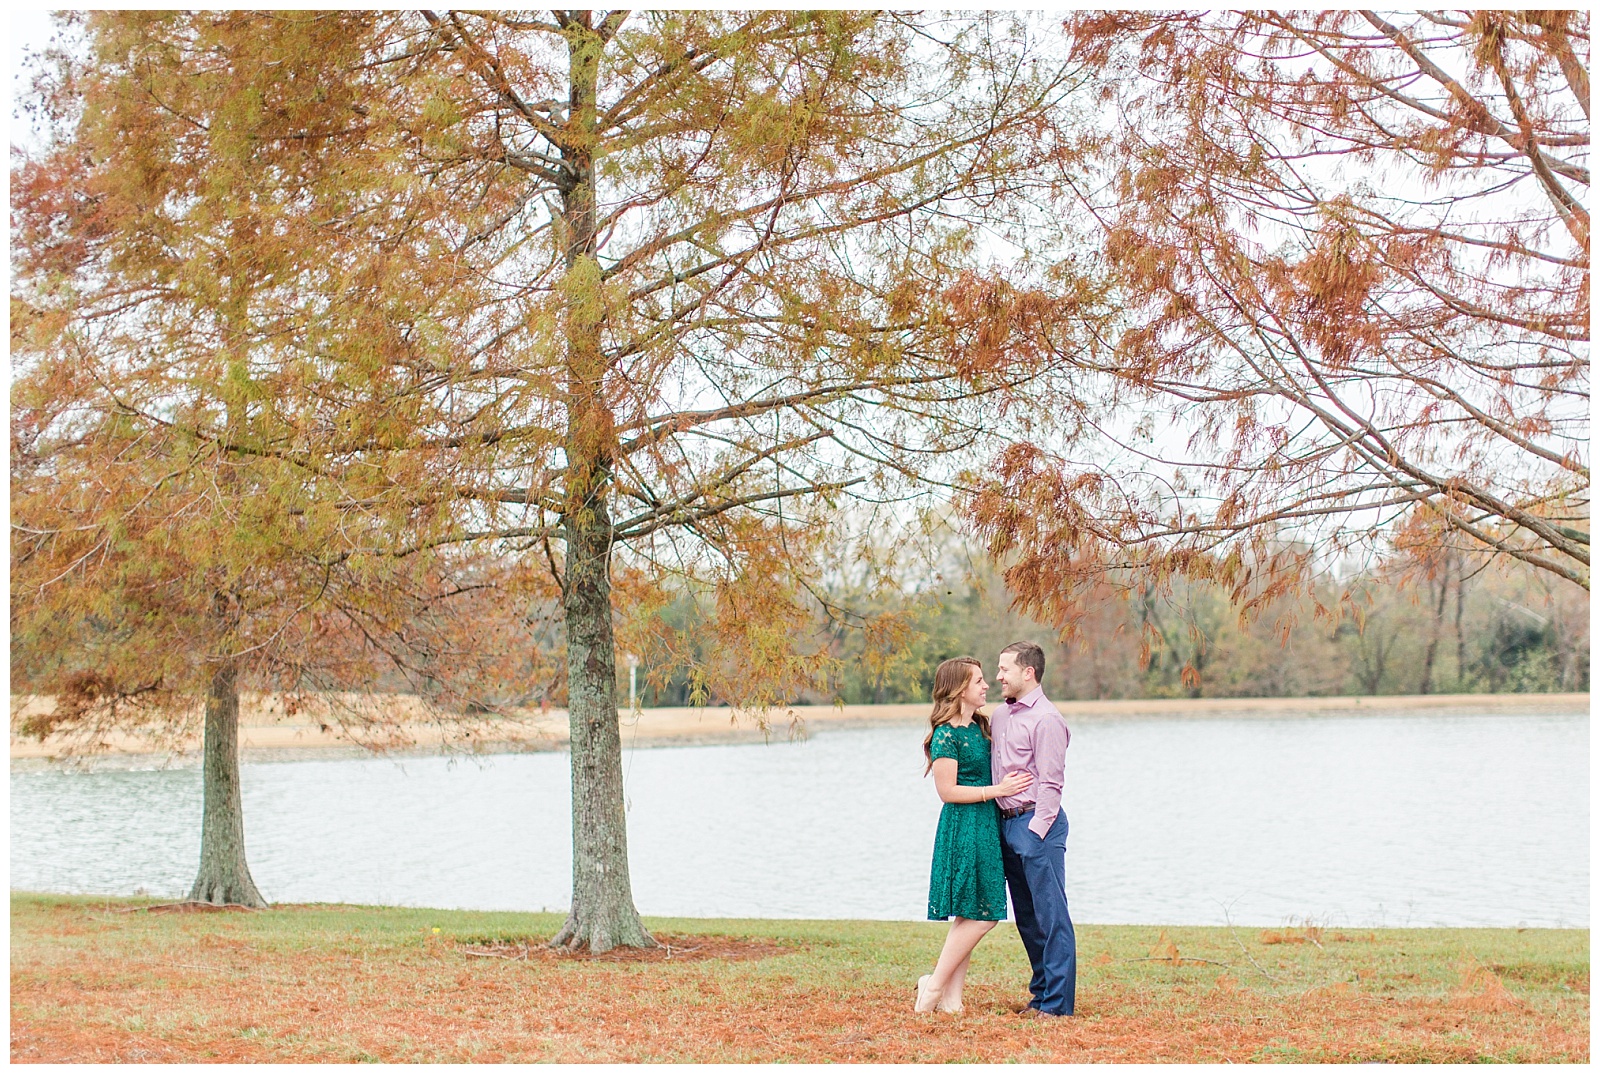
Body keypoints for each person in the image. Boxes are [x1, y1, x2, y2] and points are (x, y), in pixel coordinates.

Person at [915, 656, 1033, 1013]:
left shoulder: (981, 727)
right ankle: (935, 987)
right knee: (983, 915)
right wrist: (997, 790)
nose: (986, 686)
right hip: (962, 826)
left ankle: (951, 997)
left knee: (972, 912)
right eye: (979, 681)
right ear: (959, 689)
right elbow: (947, 791)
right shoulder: (946, 735)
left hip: (986, 825)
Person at [992, 640, 1076, 1017]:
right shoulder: (1000, 716)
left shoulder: (1048, 719)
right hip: (1006, 825)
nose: (998, 676)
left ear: (1029, 672)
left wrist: (1036, 831)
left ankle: (1057, 1006)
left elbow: (1052, 783)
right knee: (1027, 918)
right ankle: (1040, 996)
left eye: (1004, 669)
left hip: (1037, 826)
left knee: (1051, 916)